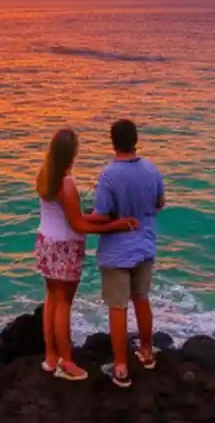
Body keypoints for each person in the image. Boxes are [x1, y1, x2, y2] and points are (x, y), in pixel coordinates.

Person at [34, 128, 139, 381]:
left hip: (46, 242)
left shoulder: (44, 175)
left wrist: (97, 218)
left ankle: (50, 357)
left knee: (51, 298)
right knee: (64, 304)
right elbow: (78, 225)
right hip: (65, 248)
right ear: (72, 153)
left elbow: (71, 217)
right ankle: (67, 361)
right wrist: (115, 225)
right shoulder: (67, 184)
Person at [93, 119, 165, 388]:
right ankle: (147, 352)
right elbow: (160, 203)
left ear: (113, 142)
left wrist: (82, 218)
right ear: (136, 140)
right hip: (145, 245)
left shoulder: (109, 175)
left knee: (118, 307)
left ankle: (121, 367)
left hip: (116, 251)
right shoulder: (152, 170)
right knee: (142, 299)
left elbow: (101, 215)